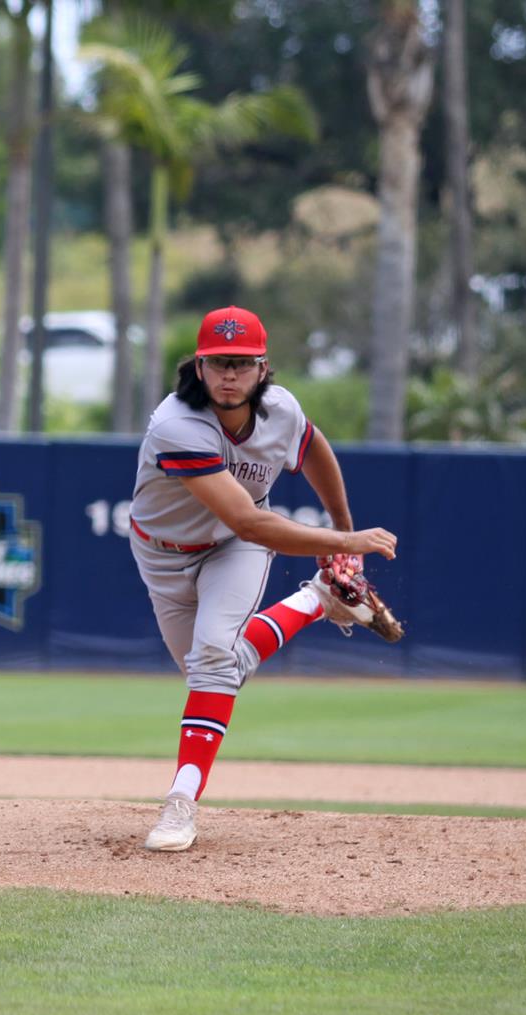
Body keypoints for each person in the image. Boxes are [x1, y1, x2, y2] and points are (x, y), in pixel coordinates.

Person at [129, 305, 400, 853]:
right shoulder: (177, 425)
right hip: (164, 555)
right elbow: (250, 518)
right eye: (219, 362)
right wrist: (345, 544)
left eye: (243, 363)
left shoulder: (281, 410)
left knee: (212, 662)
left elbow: (313, 449)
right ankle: (314, 601)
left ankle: (180, 803)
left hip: (235, 550)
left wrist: (341, 523)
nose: (231, 374)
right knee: (217, 673)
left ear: (262, 368)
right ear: (199, 368)